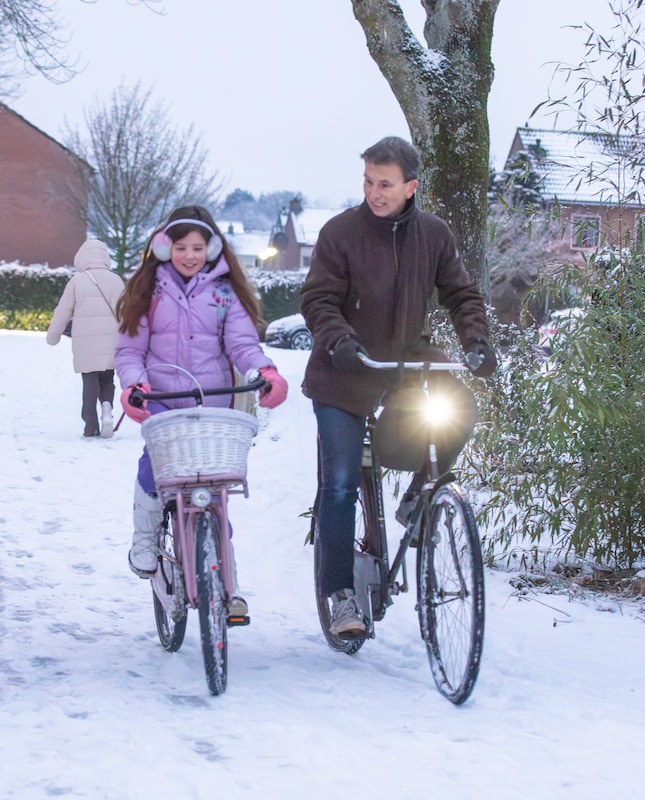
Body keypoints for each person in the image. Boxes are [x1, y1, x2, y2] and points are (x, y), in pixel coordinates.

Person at [300, 136, 497, 640]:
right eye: (368, 181)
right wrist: (338, 336)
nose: (374, 192)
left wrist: (475, 341)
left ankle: (418, 492)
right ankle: (340, 593)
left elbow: (461, 293)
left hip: (404, 363)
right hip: (344, 369)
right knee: (342, 482)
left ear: (411, 187)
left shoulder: (433, 234)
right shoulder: (339, 232)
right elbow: (318, 298)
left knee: (459, 407)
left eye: (385, 184)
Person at [114, 205, 289, 614]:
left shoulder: (225, 294)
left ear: (211, 248)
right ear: (163, 248)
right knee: (152, 470)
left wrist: (263, 371)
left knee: (213, 497)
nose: (189, 255)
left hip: (213, 405)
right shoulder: (148, 291)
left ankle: (228, 584)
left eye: (197, 247)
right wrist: (134, 386)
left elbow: (242, 343)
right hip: (161, 404)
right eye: (180, 247)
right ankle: (146, 536)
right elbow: (129, 350)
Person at [47, 240, 125, 438]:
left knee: (89, 381)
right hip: (112, 339)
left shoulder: (77, 281)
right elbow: (126, 312)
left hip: (85, 342)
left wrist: (53, 335)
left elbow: (63, 311)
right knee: (108, 377)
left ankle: (90, 426)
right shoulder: (116, 280)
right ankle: (107, 408)